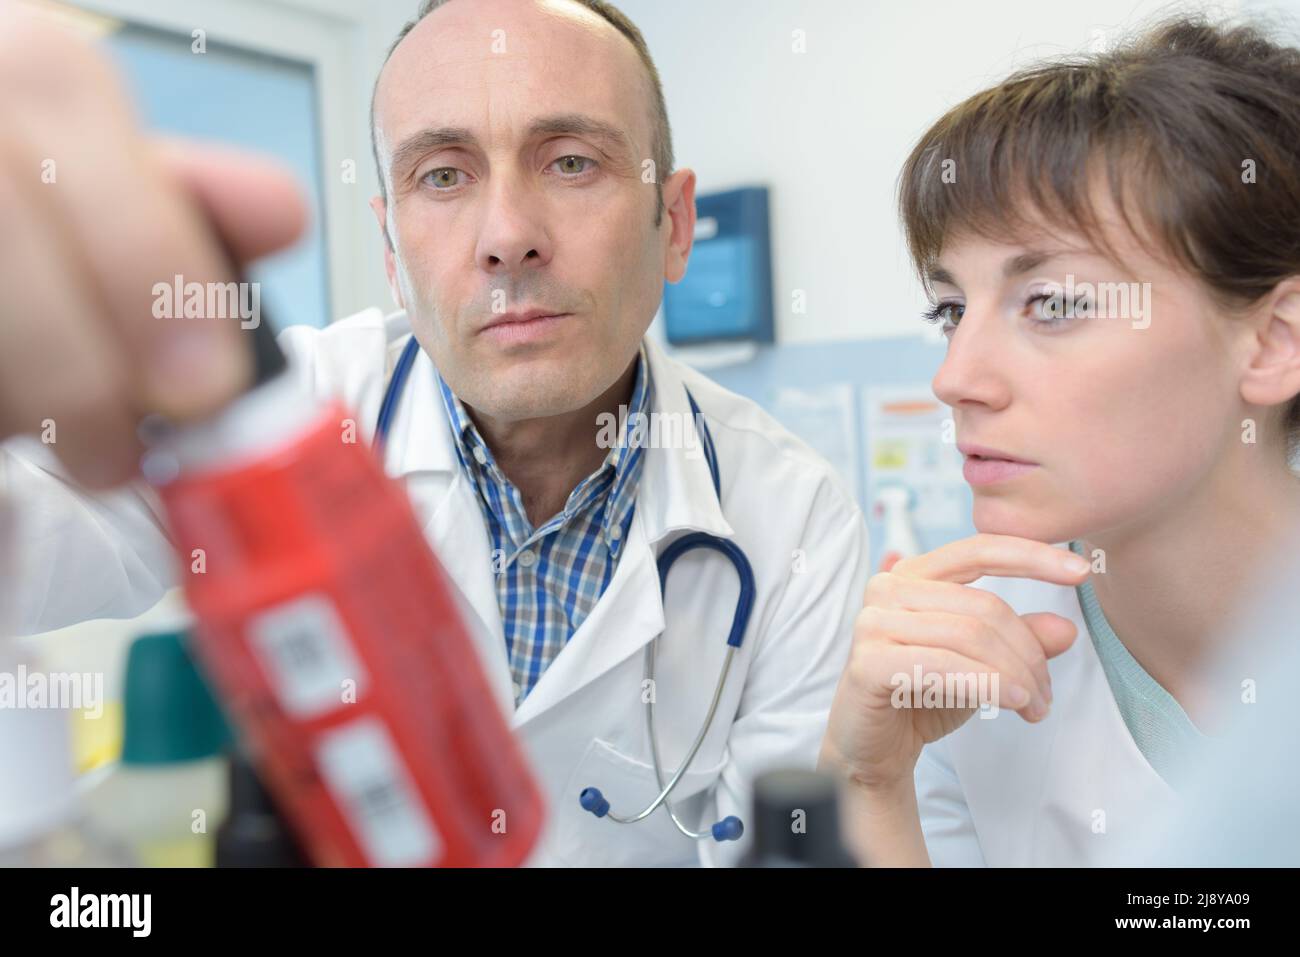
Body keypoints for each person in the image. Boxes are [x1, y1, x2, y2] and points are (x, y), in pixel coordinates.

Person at [0, 0, 870, 866]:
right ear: (390, 250)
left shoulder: (795, 519)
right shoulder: (253, 421)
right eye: (443, 176)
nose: (508, 238)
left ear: (672, 225)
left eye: (571, 162)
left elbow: (781, 850)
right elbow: (28, 541)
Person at [817, 15, 1300, 866]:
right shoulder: (959, 674)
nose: (956, 377)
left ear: (1273, 342)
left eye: (1055, 303)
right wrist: (867, 784)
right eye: (951, 311)